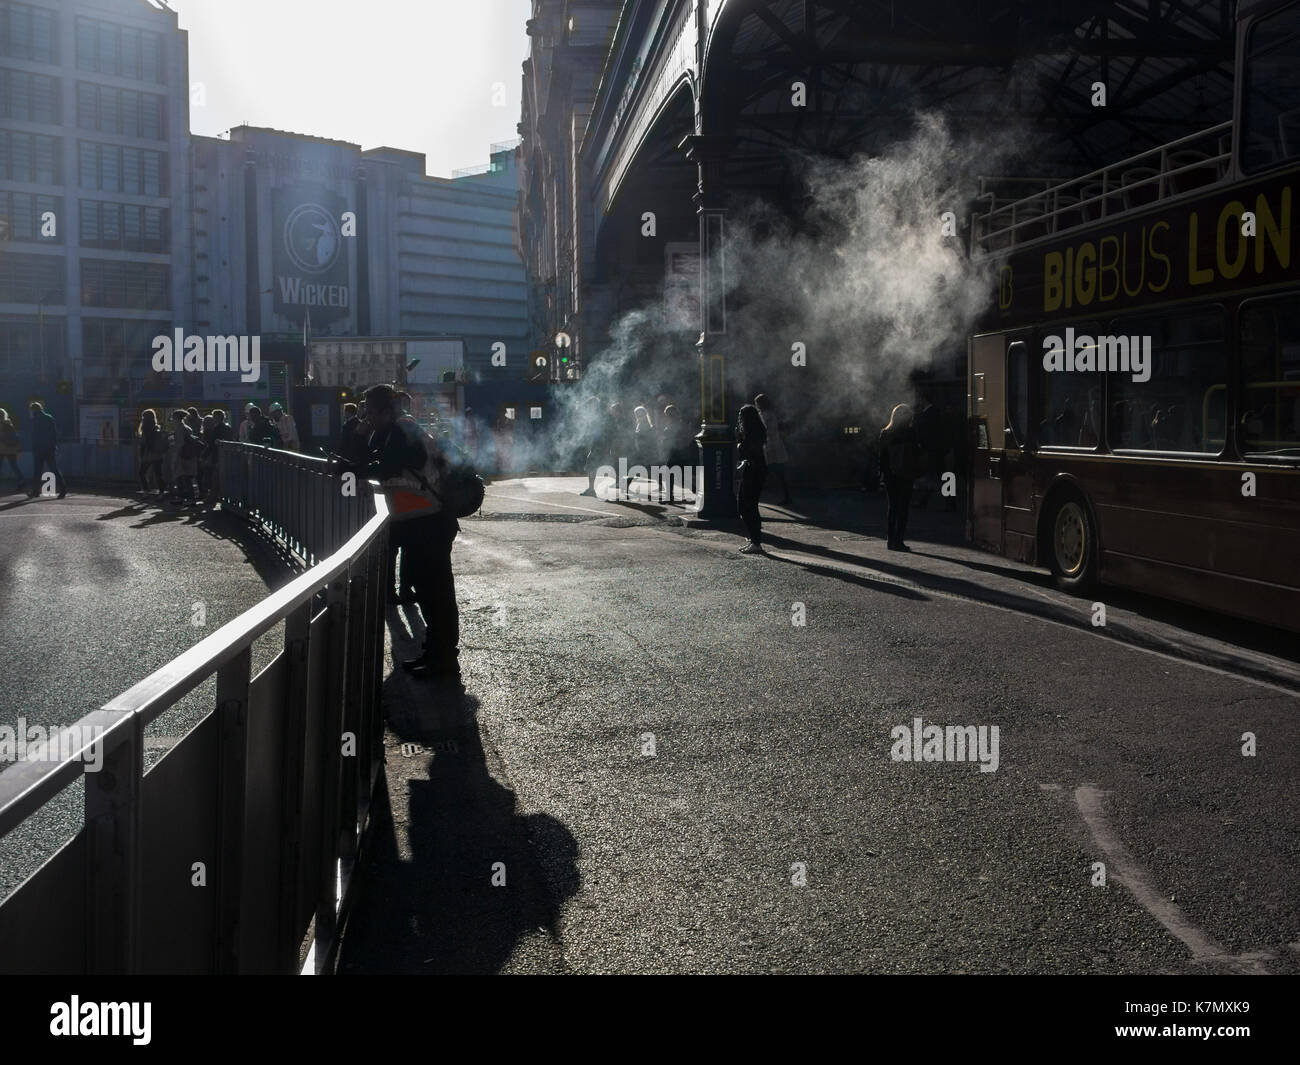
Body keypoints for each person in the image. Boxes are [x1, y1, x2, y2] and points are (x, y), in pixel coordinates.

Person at [340, 384, 461, 679]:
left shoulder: (403, 431)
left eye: (369, 411)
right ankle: (439, 653)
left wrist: (352, 468)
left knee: (435, 594)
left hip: (429, 523)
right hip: (424, 523)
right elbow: (367, 457)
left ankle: (442, 658)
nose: (366, 416)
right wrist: (358, 439)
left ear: (384, 411)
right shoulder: (394, 430)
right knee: (433, 592)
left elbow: (382, 468)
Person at [878, 403, 920, 551]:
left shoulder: (885, 433)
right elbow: (916, 454)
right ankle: (899, 540)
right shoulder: (909, 433)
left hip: (890, 475)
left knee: (892, 507)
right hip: (905, 474)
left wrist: (883, 474)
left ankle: (890, 541)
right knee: (903, 508)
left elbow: (881, 457)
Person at [736, 404, 767, 554]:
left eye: (741, 416)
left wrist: (740, 444)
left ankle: (756, 541)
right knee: (744, 505)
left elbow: (748, 451)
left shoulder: (754, 433)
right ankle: (754, 538)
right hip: (754, 470)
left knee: (749, 505)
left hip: (755, 471)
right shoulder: (753, 431)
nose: (739, 419)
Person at [754, 393, 792, 507]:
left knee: (768, 472)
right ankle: (787, 496)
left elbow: (767, 430)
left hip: (770, 446)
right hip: (774, 445)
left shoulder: (765, 415)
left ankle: (786, 496)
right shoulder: (770, 413)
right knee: (778, 472)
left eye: (757, 403)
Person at [27, 401, 65, 499]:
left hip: (39, 448)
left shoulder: (35, 419)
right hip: (49, 448)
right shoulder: (49, 417)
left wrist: (34, 448)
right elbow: (54, 433)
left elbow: (35, 435)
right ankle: (63, 490)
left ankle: (36, 491)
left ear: (34, 410)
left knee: (37, 471)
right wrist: (54, 445)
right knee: (54, 469)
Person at [168, 410, 199, 502]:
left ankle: (187, 499)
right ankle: (187, 498)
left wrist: (175, 457)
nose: (172, 420)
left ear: (176, 418)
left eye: (173, 418)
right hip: (189, 455)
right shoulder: (187, 428)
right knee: (186, 478)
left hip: (182, 456)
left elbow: (180, 444)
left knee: (183, 478)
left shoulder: (179, 428)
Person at [137, 409, 166, 494]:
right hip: (158, 454)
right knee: (158, 475)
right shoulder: (157, 428)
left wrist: (141, 455)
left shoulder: (145, 429)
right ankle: (161, 492)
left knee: (142, 473)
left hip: (148, 454)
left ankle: (146, 491)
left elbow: (143, 442)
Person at [0, 407, 23, 492]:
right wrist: (19, 448)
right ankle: (21, 480)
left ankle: (21, 480)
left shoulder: (1, 424)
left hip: (2, 448)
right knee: (14, 466)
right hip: (11, 449)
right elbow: (16, 436)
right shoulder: (9, 423)